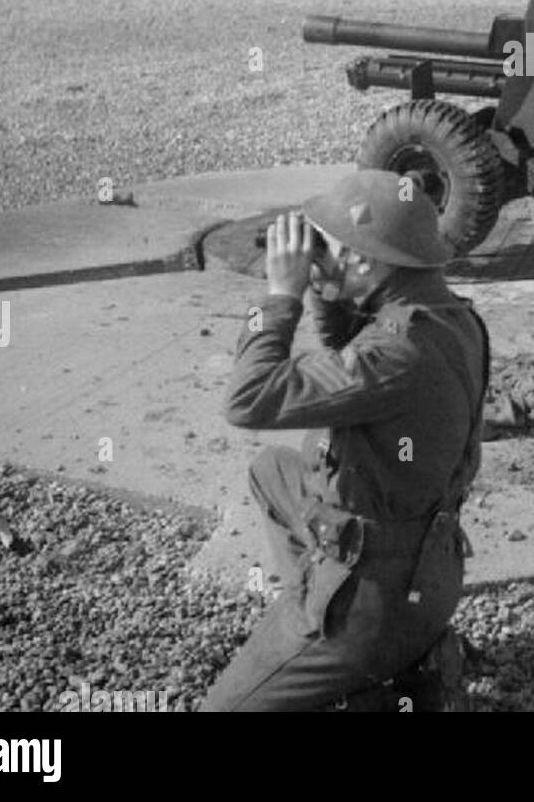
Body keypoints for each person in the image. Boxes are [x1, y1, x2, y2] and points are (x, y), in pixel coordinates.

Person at [201, 170, 489, 711]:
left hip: (379, 600)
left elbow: (247, 399)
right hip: (431, 561)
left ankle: (350, 650)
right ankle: (349, 629)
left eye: (329, 248)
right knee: (273, 471)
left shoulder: (398, 352)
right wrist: (328, 292)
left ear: (368, 260)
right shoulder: (448, 318)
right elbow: (350, 363)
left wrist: (280, 295)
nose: (318, 258)